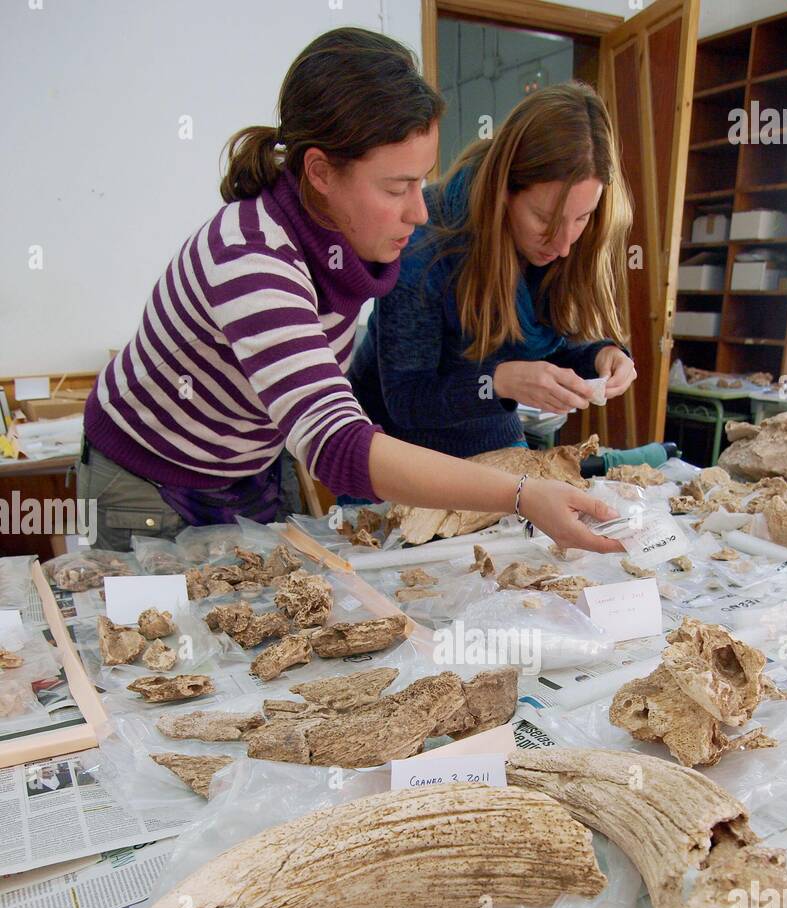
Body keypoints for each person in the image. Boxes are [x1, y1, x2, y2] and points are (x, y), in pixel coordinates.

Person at [77, 28, 621, 555]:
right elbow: (337, 443)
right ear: (320, 171)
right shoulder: (250, 257)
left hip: (255, 464)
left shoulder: (348, 236)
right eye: (396, 186)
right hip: (147, 478)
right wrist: (519, 495)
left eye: (421, 179)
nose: (420, 209)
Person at [350, 82, 637, 458]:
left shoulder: (565, 245)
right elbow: (409, 399)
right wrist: (498, 382)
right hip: (394, 439)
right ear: (504, 190)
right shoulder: (423, 241)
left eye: (581, 218)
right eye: (544, 218)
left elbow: (557, 336)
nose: (564, 244)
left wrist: (601, 354)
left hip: (487, 425)